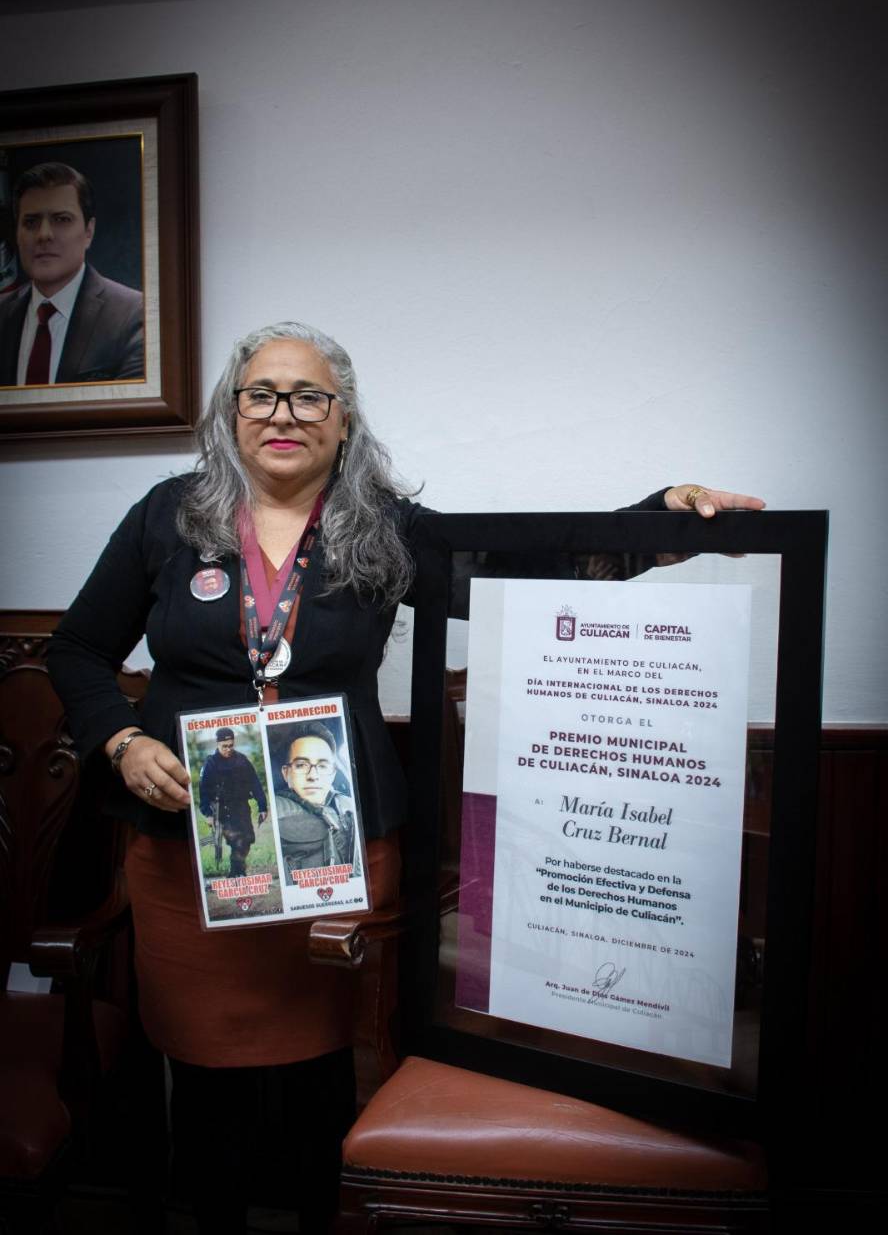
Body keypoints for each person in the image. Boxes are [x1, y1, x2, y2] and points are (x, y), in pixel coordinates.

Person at [47, 320, 764, 1234]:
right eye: (261, 393)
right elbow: (75, 650)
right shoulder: (166, 514)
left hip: (330, 849)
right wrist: (117, 740)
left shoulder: (381, 526)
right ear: (233, 413)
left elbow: (521, 568)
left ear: (343, 420)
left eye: (310, 396)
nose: (284, 413)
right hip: (192, 850)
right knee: (204, 1086)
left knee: (321, 1080)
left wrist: (663, 520)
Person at [0, 161, 144, 386]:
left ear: (89, 231)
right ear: (16, 233)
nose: (44, 234)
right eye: (31, 222)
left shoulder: (133, 315)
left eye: (61, 220)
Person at [276, 722, 356, 878]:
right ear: (286, 773)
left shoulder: (350, 805)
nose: (313, 776)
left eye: (323, 765)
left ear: (333, 773)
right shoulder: (276, 810)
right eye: (301, 765)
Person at [199, 727, 268, 877]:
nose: (228, 749)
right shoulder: (211, 763)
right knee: (236, 839)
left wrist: (263, 806)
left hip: (242, 807)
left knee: (248, 838)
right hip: (223, 809)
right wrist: (207, 813)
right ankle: (238, 872)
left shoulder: (241, 760)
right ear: (217, 744)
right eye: (224, 746)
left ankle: (235, 872)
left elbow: (255, 783)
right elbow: (203, 790)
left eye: (231, 745)